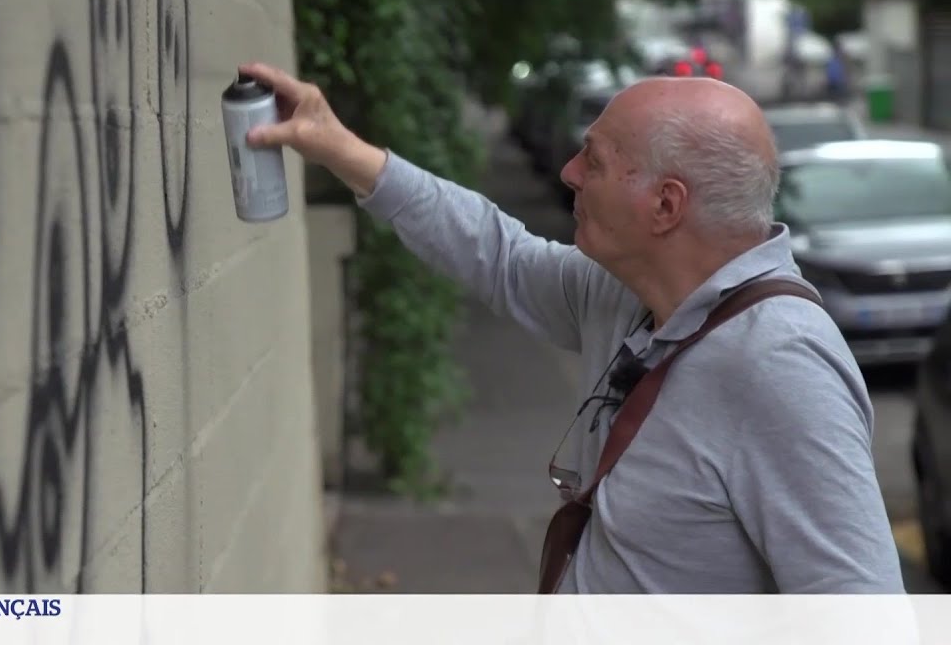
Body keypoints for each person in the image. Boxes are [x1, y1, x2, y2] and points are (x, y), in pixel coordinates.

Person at [236, 61, 907, 594]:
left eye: (596, 160)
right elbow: (498, 254)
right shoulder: (629, 292)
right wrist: (342, 148)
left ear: (665, 205)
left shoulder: (780, 365)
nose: (568, 173)